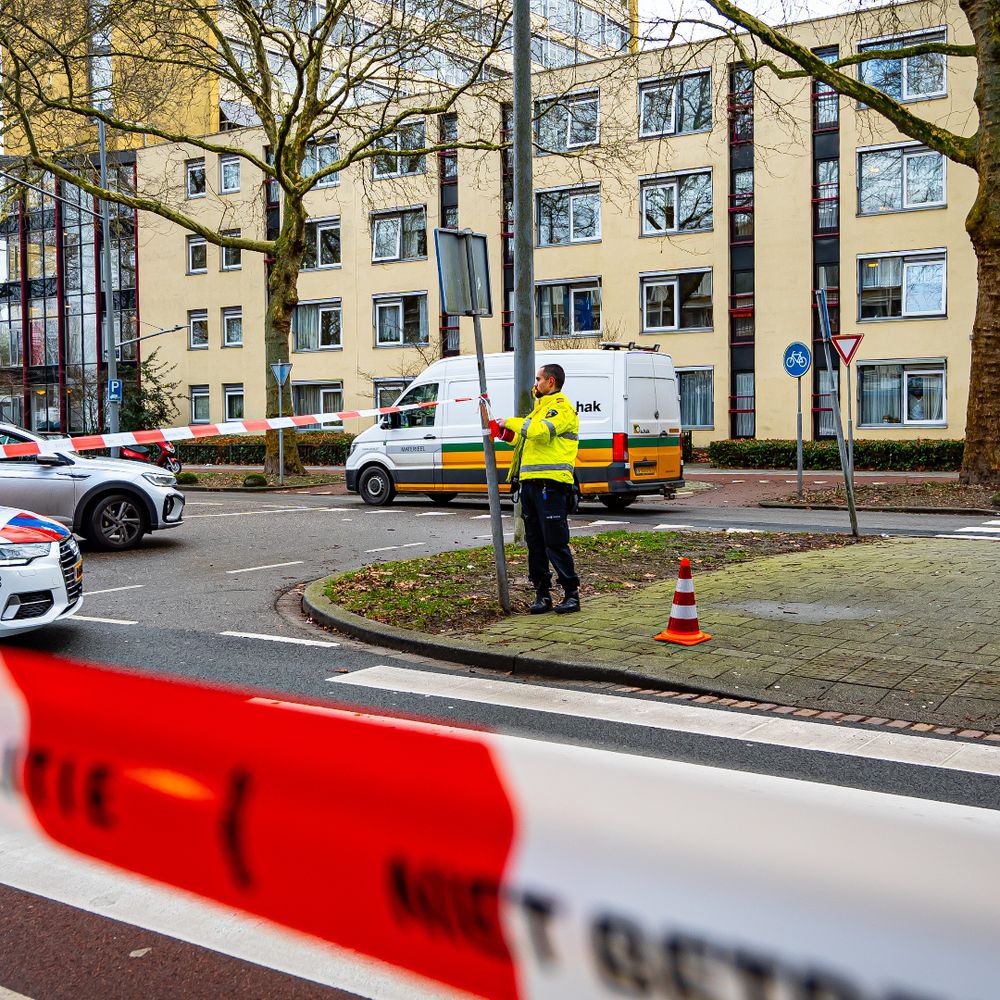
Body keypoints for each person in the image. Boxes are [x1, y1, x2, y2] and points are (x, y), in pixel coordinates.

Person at [493, 364, 581, 615]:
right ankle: (542, 594)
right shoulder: (538, 411)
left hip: (551, 485)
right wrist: (505, 433)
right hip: (531, 485)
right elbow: (524, 440)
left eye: (538, 379)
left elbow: (541, 433)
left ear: (550, 382)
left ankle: (571, 594)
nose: (535, 383)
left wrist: (510, 421)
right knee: (535, 543)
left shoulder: (560, 408)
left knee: (555, 542)